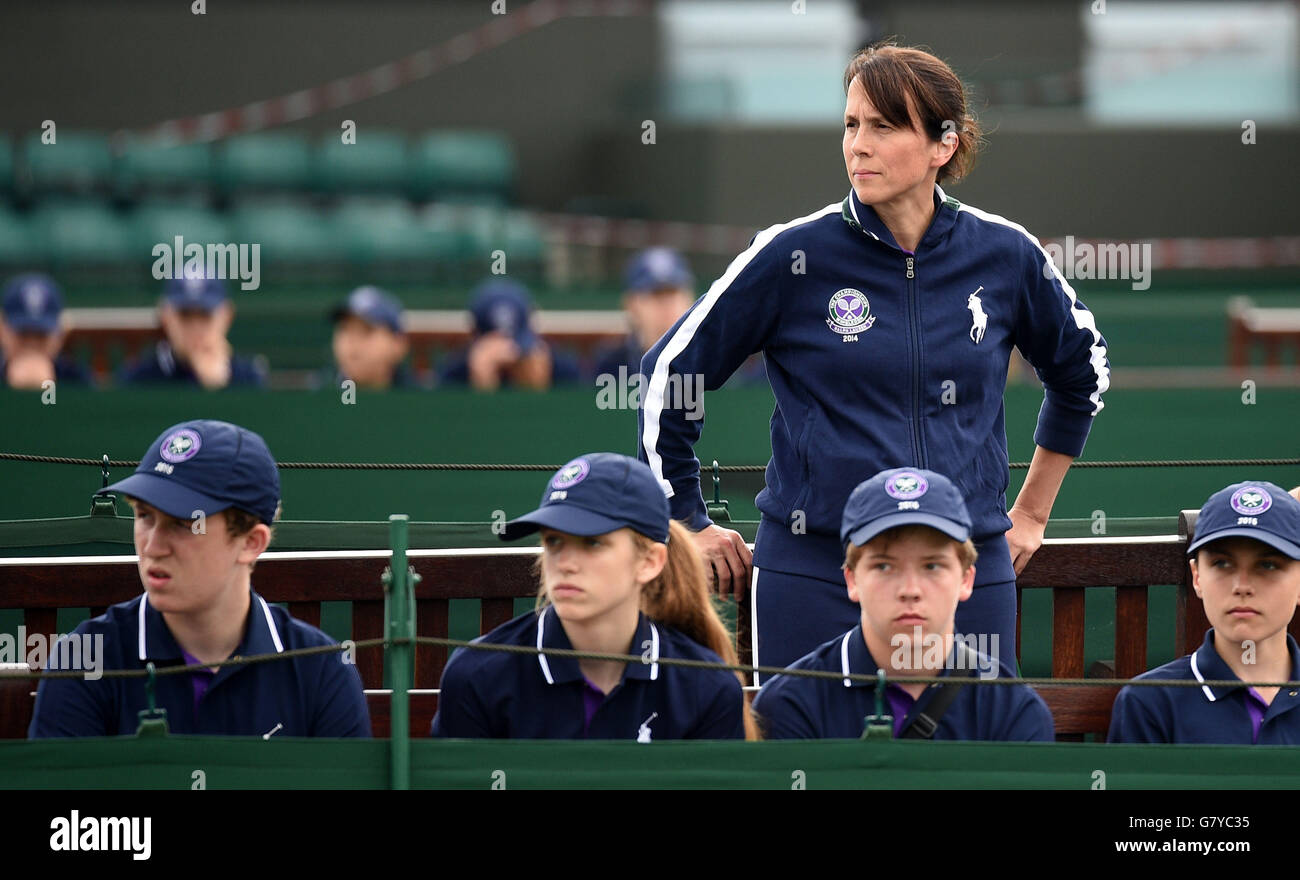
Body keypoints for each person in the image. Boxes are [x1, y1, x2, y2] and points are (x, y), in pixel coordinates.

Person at [637, 42, 1110, 677]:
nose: (858, 144)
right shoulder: (790, 255)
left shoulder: (1006, 254)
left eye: (883, 127)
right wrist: (685, 517)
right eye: (851, 124)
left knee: (970, 765)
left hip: (965, 571)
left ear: (944, 145)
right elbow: (670, 375)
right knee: (810, 764)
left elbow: (1083, 372)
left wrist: (1029, 513)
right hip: (816, 571)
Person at [28, 419, 370, 738]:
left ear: (251, 543)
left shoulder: (323, 672)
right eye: (144, 515)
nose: (153, 545)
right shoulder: (84, 659)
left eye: (183, 523)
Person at [431, 452, 754, 740]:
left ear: (649, 562)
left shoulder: (706, 686)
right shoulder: (477, 676)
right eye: (554, 541)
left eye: (592, 543)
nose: (565, 564)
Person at [751, 467, 1053, 740]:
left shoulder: (1014, 712)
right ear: (852, 579)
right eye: (884, 566)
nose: (910, 590)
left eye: (932, 566)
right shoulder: (789, 707)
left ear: (966, 579)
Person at [1108, 481, 1300, 744]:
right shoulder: (1150, 701)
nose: (1242, 586)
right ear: (1197, 577)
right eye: (1222, 564)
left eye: (1267, 565)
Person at [118, 275, 266, 389]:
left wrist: (217, 386)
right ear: (166, 316)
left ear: (226, 316)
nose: (196, 327)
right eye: (185, 315)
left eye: (205, 315)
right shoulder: (140, 378)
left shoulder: (248, 378)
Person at [437, 279, 580, 390]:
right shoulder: (454, 375)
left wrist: (537, 390)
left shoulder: (564, 372)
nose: (508, 362)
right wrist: (483, 383)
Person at [0, 273, 91, 389]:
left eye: (41, 334)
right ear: (2, 330)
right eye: (23, 333)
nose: (32, 342)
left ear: (61, 334)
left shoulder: (77, 380)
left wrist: (46, 391)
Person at [326, 285, 419, 390]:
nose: (353, 341)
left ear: (398, 344)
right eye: (345, 329)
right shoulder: (316, 397)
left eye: (366, 330)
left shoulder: (422, 401)